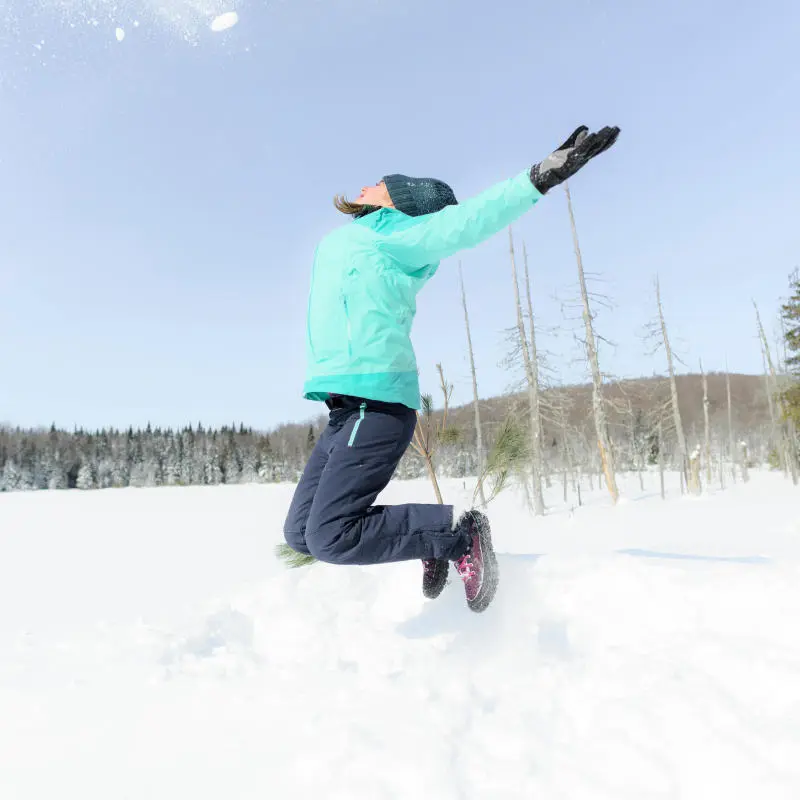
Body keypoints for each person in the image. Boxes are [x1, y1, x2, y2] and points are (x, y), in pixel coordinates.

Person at [283, 124, 620, 612]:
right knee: (301, 535)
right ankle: (428, 537)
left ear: (400, 200)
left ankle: (456, 540)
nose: (366, 185)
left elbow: (468, 221)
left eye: (381, 182)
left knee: (331, 537)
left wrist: (536, 180)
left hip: (376, 402)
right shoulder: (353, 239)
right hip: (344, 407)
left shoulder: (399, 237)